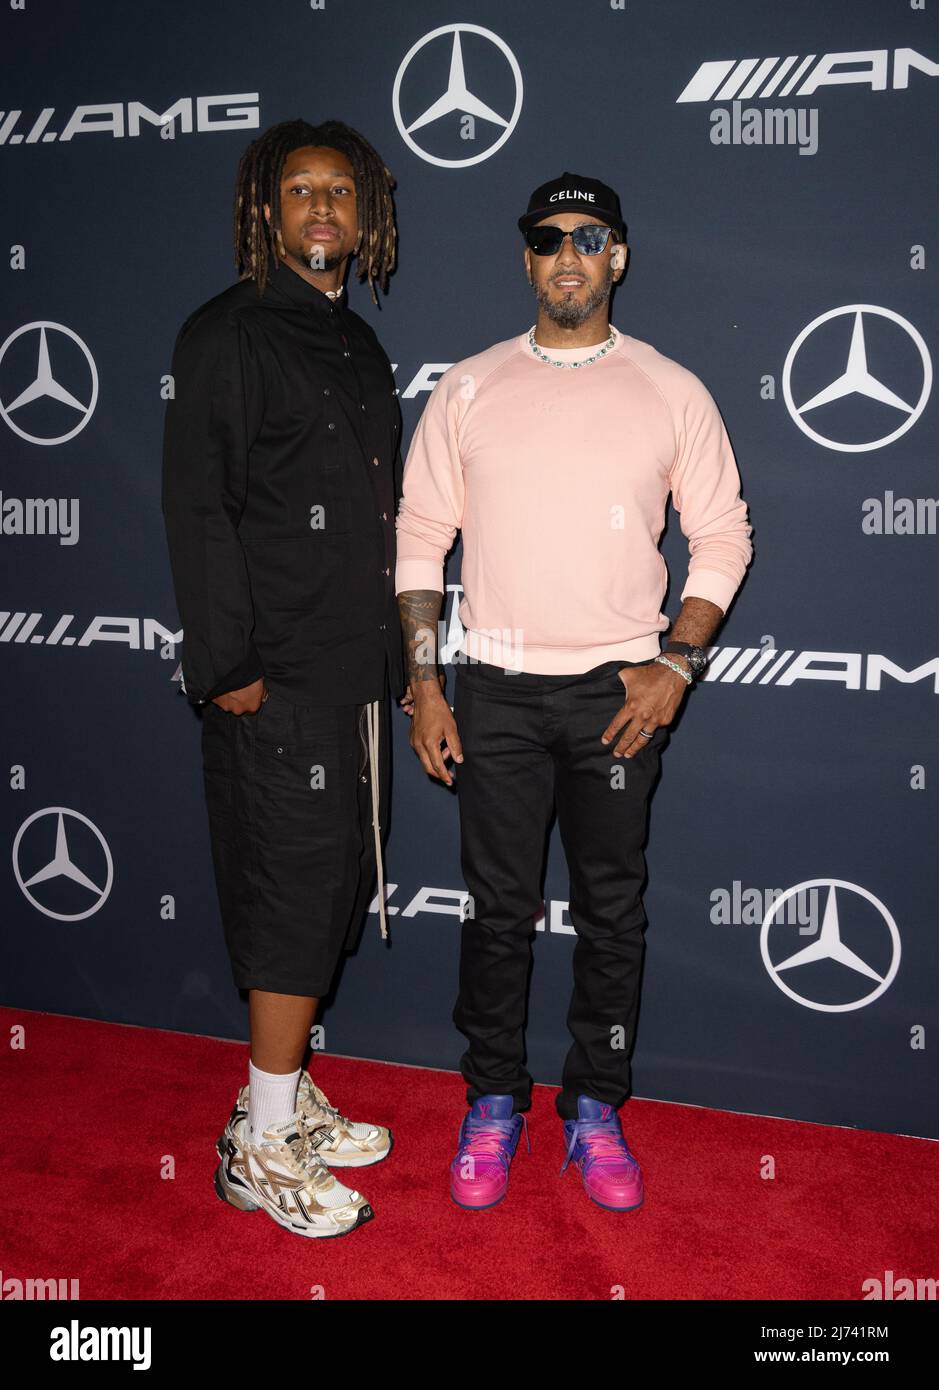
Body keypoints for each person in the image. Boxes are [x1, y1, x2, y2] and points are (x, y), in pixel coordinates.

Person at [395, 171, 753, 1213]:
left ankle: (595, 1107)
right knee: (499, 914)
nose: (567, 254)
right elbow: (421, 535)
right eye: (547, 237)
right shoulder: (467, 386)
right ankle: (493, 1102)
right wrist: (424, 681)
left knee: (611, 912)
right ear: (526, 258)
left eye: (588, 236)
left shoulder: (672, 389)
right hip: (494, 685)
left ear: (619, 256)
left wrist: (676, 664)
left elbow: (724, 534)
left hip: (619, 691)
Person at [161, 118, 405, 1239]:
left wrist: (402, 666)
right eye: (299, 189)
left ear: (364, 218)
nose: (321, 208)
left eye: (339, 192)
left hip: (352, 677)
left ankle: (285, 1091)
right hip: (274, 684)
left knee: (332, 893)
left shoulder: (357, 344)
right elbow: (199, 507)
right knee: (291, 902)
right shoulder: (226, 334)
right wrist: (230, 668)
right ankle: (259, 1145)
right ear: (266, 207)